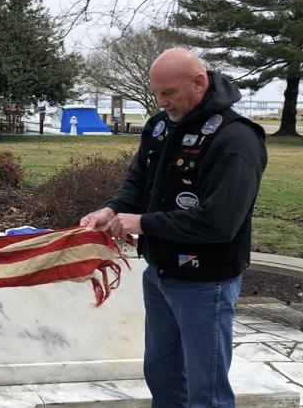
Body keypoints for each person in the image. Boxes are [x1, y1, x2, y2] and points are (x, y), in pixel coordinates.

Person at [80, 48, 267, 408]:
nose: (161, 102)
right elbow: (138, 182)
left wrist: (144, 223)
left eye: (168, 93)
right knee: (163, 378)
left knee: (206, 392)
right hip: (160, 274)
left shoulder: (236, 139)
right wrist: (112, 210)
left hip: (205, 283)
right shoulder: (162, 125)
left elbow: (220, 222)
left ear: (199, 83)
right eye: (156, 94)